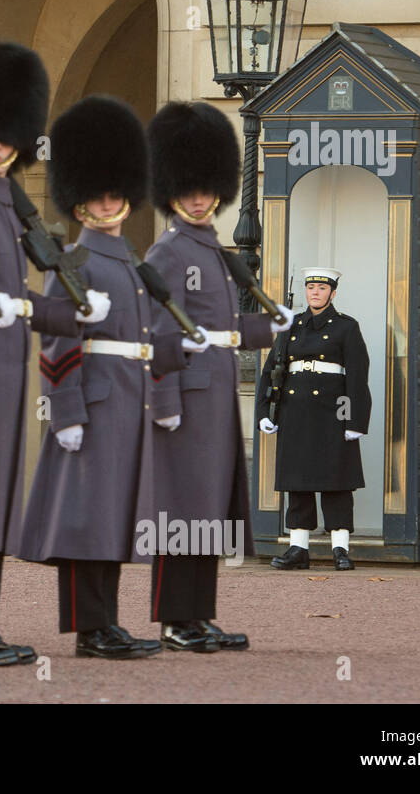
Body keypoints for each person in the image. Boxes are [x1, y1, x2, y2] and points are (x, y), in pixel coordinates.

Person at [0, 43, 109, 666]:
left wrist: (70, 311)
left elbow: (15, 296)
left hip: (7, 368)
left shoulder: (7, 202)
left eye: (9, 136)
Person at [19, 95, 205, 659]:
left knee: (114, 518)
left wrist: (171, 374)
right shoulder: (73, 264)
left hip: (129, 402)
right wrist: (67, 411)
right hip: (95, 405)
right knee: (85, 520)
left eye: (117, 192)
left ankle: (107, 623)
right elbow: (57, 343)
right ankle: (89, 628)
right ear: (80, 206)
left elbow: (146, 341)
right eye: (99, 195)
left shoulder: (131, 261)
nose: (110, 201)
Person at [142, 101, 292, 653]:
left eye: (207, 188)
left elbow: (220, 327)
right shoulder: (168, 250)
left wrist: (274, 326)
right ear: (173, 190)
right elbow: (161, 333)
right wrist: (164, 401)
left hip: (216, 397)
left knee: (208, 509)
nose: (200, 196)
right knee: (180, 511)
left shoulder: (213, 250)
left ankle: (198, 615)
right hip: (186, 398)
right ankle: (173, 618)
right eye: (190, 188)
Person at [258, 267, 371, 571]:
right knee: (298, 481)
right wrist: (265, 412)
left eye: (322, 288)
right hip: (295, 413)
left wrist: (353, 420)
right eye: (311, 288)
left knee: (336, 482)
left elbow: (357, 378)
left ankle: (340, 549)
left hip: (333, 415)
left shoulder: (346, 328)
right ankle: (298, 548)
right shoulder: (290, 326)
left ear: (333, 293)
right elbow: (271, 371)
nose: (315, 293)